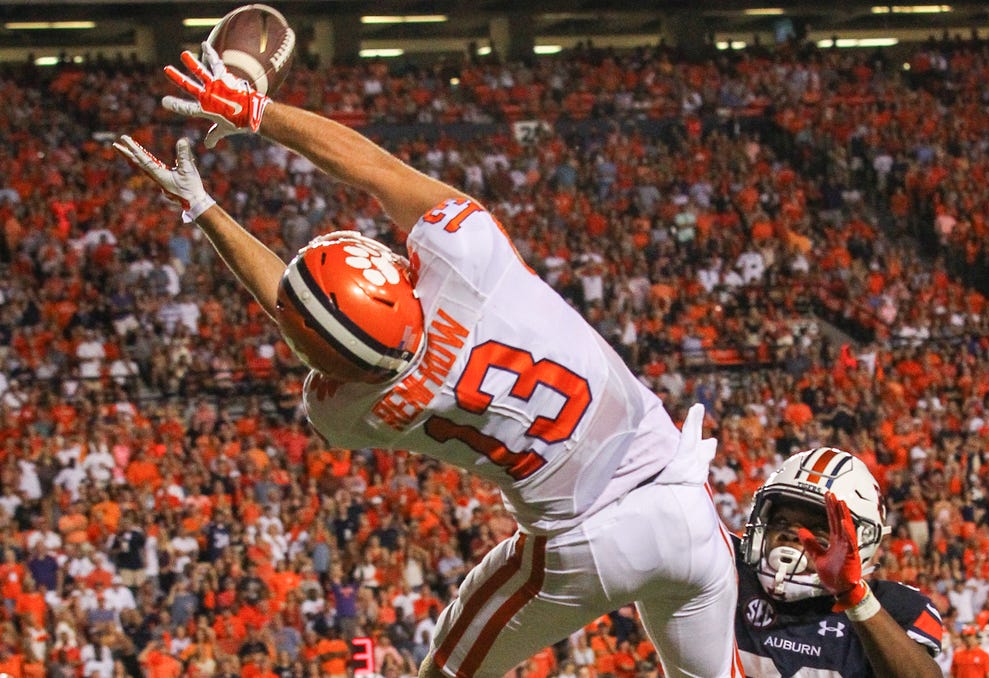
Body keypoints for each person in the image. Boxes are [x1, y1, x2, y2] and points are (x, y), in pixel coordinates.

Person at [114, 43, 741, 678]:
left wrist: (205, 209)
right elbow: (374, 169)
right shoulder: (466, 265)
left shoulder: (353, 410)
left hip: (580, 551)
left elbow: (303, 319)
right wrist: (256, 111)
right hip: (681, 493)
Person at [733, 446, 943, 677]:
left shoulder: (891, 606)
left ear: (861, 540)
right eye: (781, 522)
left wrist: (856, 599)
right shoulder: (731, 571)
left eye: (818, 529)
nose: (792, 536)